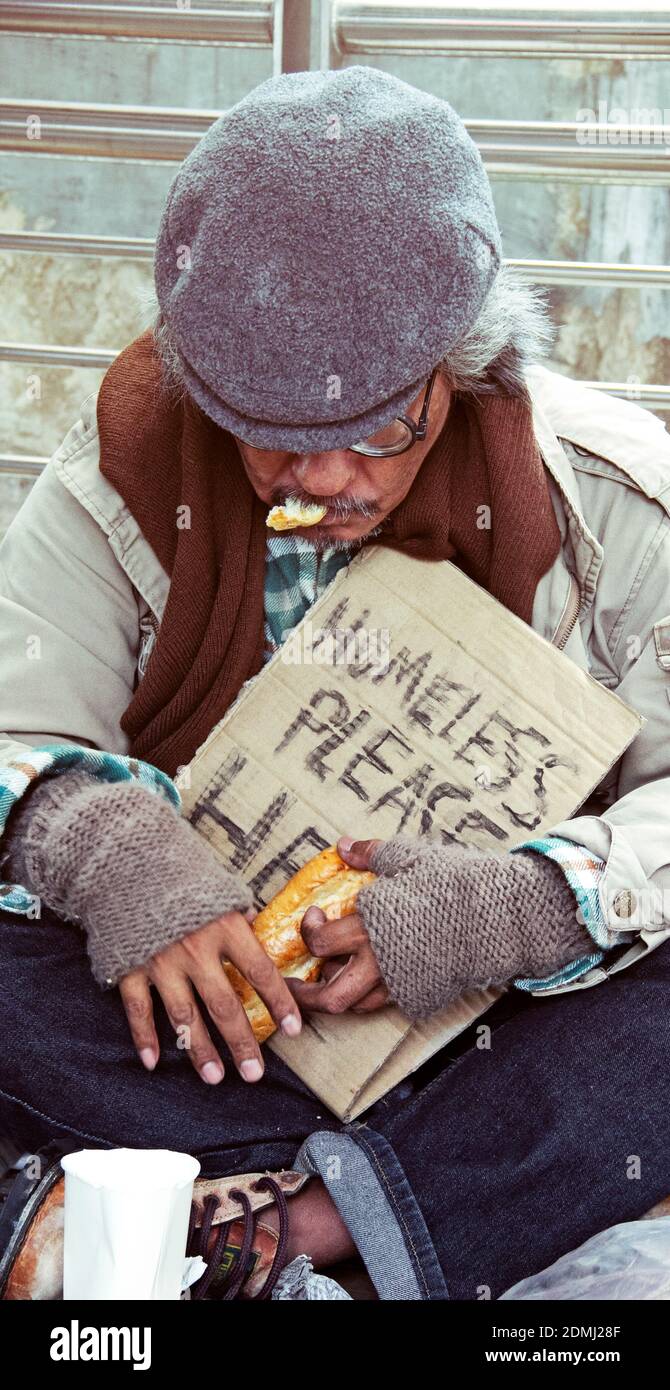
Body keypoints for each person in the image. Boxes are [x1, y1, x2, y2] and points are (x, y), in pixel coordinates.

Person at [1, 65, 670, 1302]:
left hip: (495, 1023)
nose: (324, 478)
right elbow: (10, 726)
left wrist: (527, 906)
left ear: (458, 365)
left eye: (379, 427)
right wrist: (107, 849)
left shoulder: (617, 497)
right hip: (203, 1016)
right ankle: (410, 1199)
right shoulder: (111, 481)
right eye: (266, 429)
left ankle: (293, 1223)